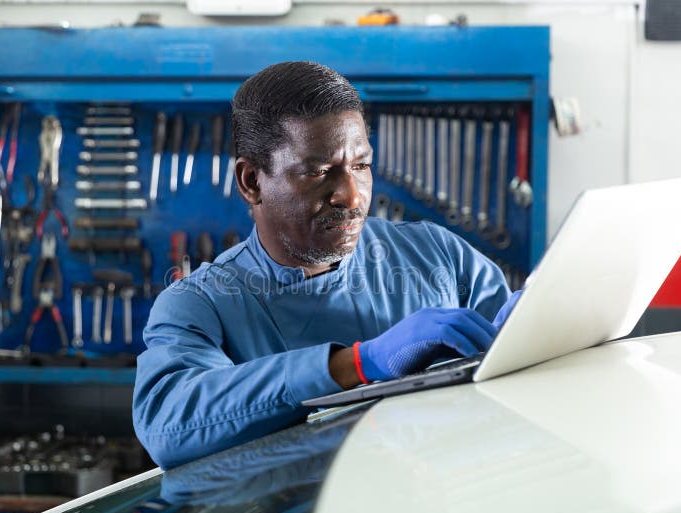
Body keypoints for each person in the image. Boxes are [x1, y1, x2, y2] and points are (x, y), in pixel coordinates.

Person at [133, 61, 520, 470]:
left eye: (361, 166)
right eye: (319, 172)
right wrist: (355, 363)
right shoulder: (201, 302)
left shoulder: (435, 252)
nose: (352, 197)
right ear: (251, 182)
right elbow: (167, 423)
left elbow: (515, 372)